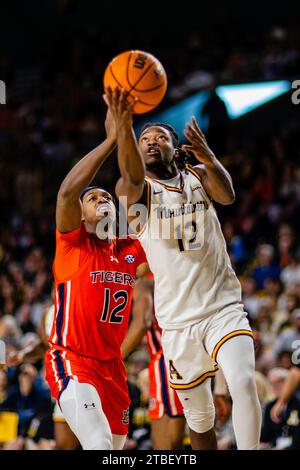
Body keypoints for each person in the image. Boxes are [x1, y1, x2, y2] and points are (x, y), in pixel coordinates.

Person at [104, 86, 261, 450]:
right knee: (200, 417)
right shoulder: (136, 192)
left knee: (241, 380)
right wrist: (125, 125)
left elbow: (228, 196)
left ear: (178, 148)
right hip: (177, 322)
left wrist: (209, 156)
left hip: (222, 306)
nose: (151, 142)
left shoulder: (199, 176)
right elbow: (128, 174)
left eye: (160, 137)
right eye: (144, 139)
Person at [44, 107, 148, 450]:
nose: (102, 198)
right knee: (99, 444)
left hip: (113, 369)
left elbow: (134, 184)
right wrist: (110, 140)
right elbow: (66, 194)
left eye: (106, 197)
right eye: (93, 197)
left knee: (114, 450)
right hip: (72, 359)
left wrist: (127, 135)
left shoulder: (130, 249)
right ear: (82, 215)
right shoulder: (72, 243)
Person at [121, 275, 186, 450]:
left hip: (166, 359)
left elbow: (143, 322)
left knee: (166, 446)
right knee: (193, 430)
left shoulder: (146, 282)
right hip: (187, 353)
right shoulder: (177, 275)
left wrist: (115, 360)